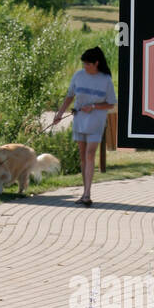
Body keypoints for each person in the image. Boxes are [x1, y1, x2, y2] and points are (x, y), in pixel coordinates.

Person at [51, 46, 117, 205]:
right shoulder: (78, 76)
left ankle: (87, 194)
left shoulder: (106, 80)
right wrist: (59, 114)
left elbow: (111, 104)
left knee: (89, 153)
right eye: (84, 64)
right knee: (82, 156)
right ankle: (84, 192)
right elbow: (69, 96)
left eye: (88, 64)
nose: (85, 67)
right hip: (79, 118)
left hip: (96, 121)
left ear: (96, 63)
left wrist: (94, 107)